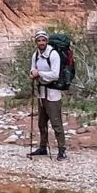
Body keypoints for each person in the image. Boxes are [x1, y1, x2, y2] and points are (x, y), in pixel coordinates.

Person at [29, 29, 66, 160]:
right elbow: (33, 68)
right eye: (39, 40)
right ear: (36, 42)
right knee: (42, 122)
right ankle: (43, 147)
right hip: (41, 93)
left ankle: (62, 150)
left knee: (56, 122)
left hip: (53, 93)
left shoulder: (53, 54)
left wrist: (40, 74)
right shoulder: (36, 55)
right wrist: (33, 73)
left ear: (47, 41)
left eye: (43, 40)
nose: (41, 43)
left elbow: (55, 75)